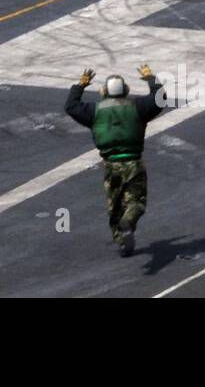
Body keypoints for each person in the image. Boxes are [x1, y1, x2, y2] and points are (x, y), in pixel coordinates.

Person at [64, 64, 164, 256]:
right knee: (136, 202)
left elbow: (70, 106)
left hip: (111, 166)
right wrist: (150, 78)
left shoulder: (94, 111)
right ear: (126, 90)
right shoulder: (138, 107)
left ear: (104, 92)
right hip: (133, 163)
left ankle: (121, 242)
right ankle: (130, 220)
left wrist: (80, 86)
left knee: (114, 206)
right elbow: (159, 99)